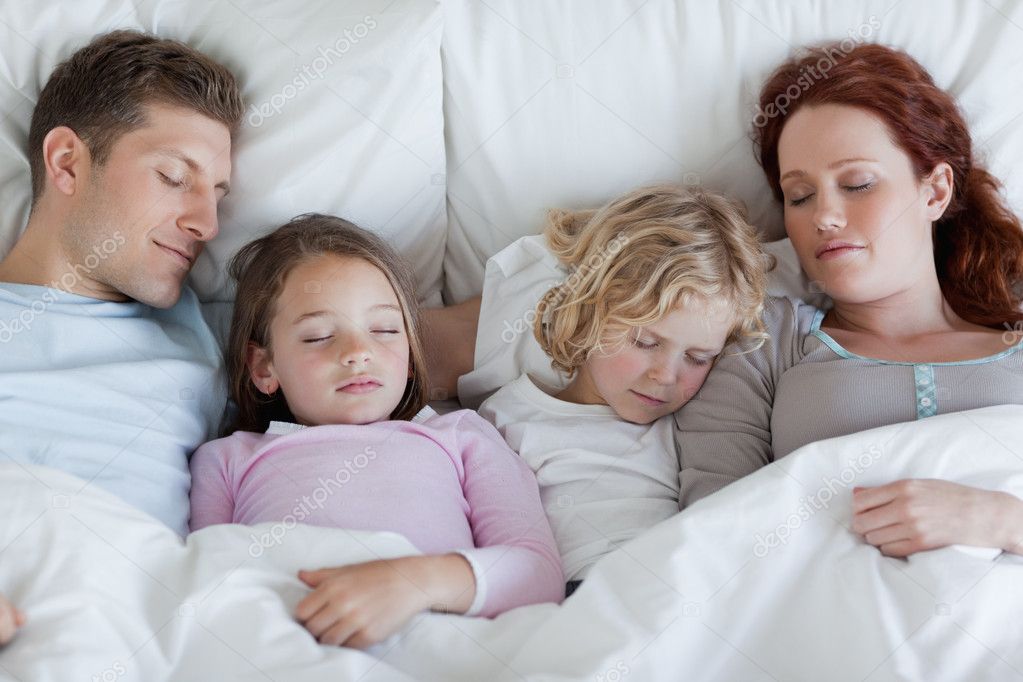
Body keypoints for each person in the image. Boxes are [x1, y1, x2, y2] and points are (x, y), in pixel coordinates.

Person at [675, 43, 1023, 556]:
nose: (825, 216)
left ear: (935, 191)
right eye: (800, 196)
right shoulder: (762, 344)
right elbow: (713, 538)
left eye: (857, 184)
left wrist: (999, 521)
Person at [188, 214, 563, 649]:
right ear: (263, 367)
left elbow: (537, 573)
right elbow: (203, 587)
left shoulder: (461, 436)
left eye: (384, 329)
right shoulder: (226, 459)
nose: (358, 352)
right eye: (318, 336)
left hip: (440, 643)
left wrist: (413, 583)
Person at [0, 30, 244, 640]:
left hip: (134, 623)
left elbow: (395, 334)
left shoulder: (211, 336)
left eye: (218, 194)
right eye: (172, 176)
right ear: (67, 162)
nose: (208, 223)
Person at [479, 185, 768, 596]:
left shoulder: (701, 417)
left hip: (690, 585)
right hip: (576, 593)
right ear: (587, 311)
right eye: (646, 343)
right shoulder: (504, 417)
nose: (666, 376)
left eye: (699, 358)